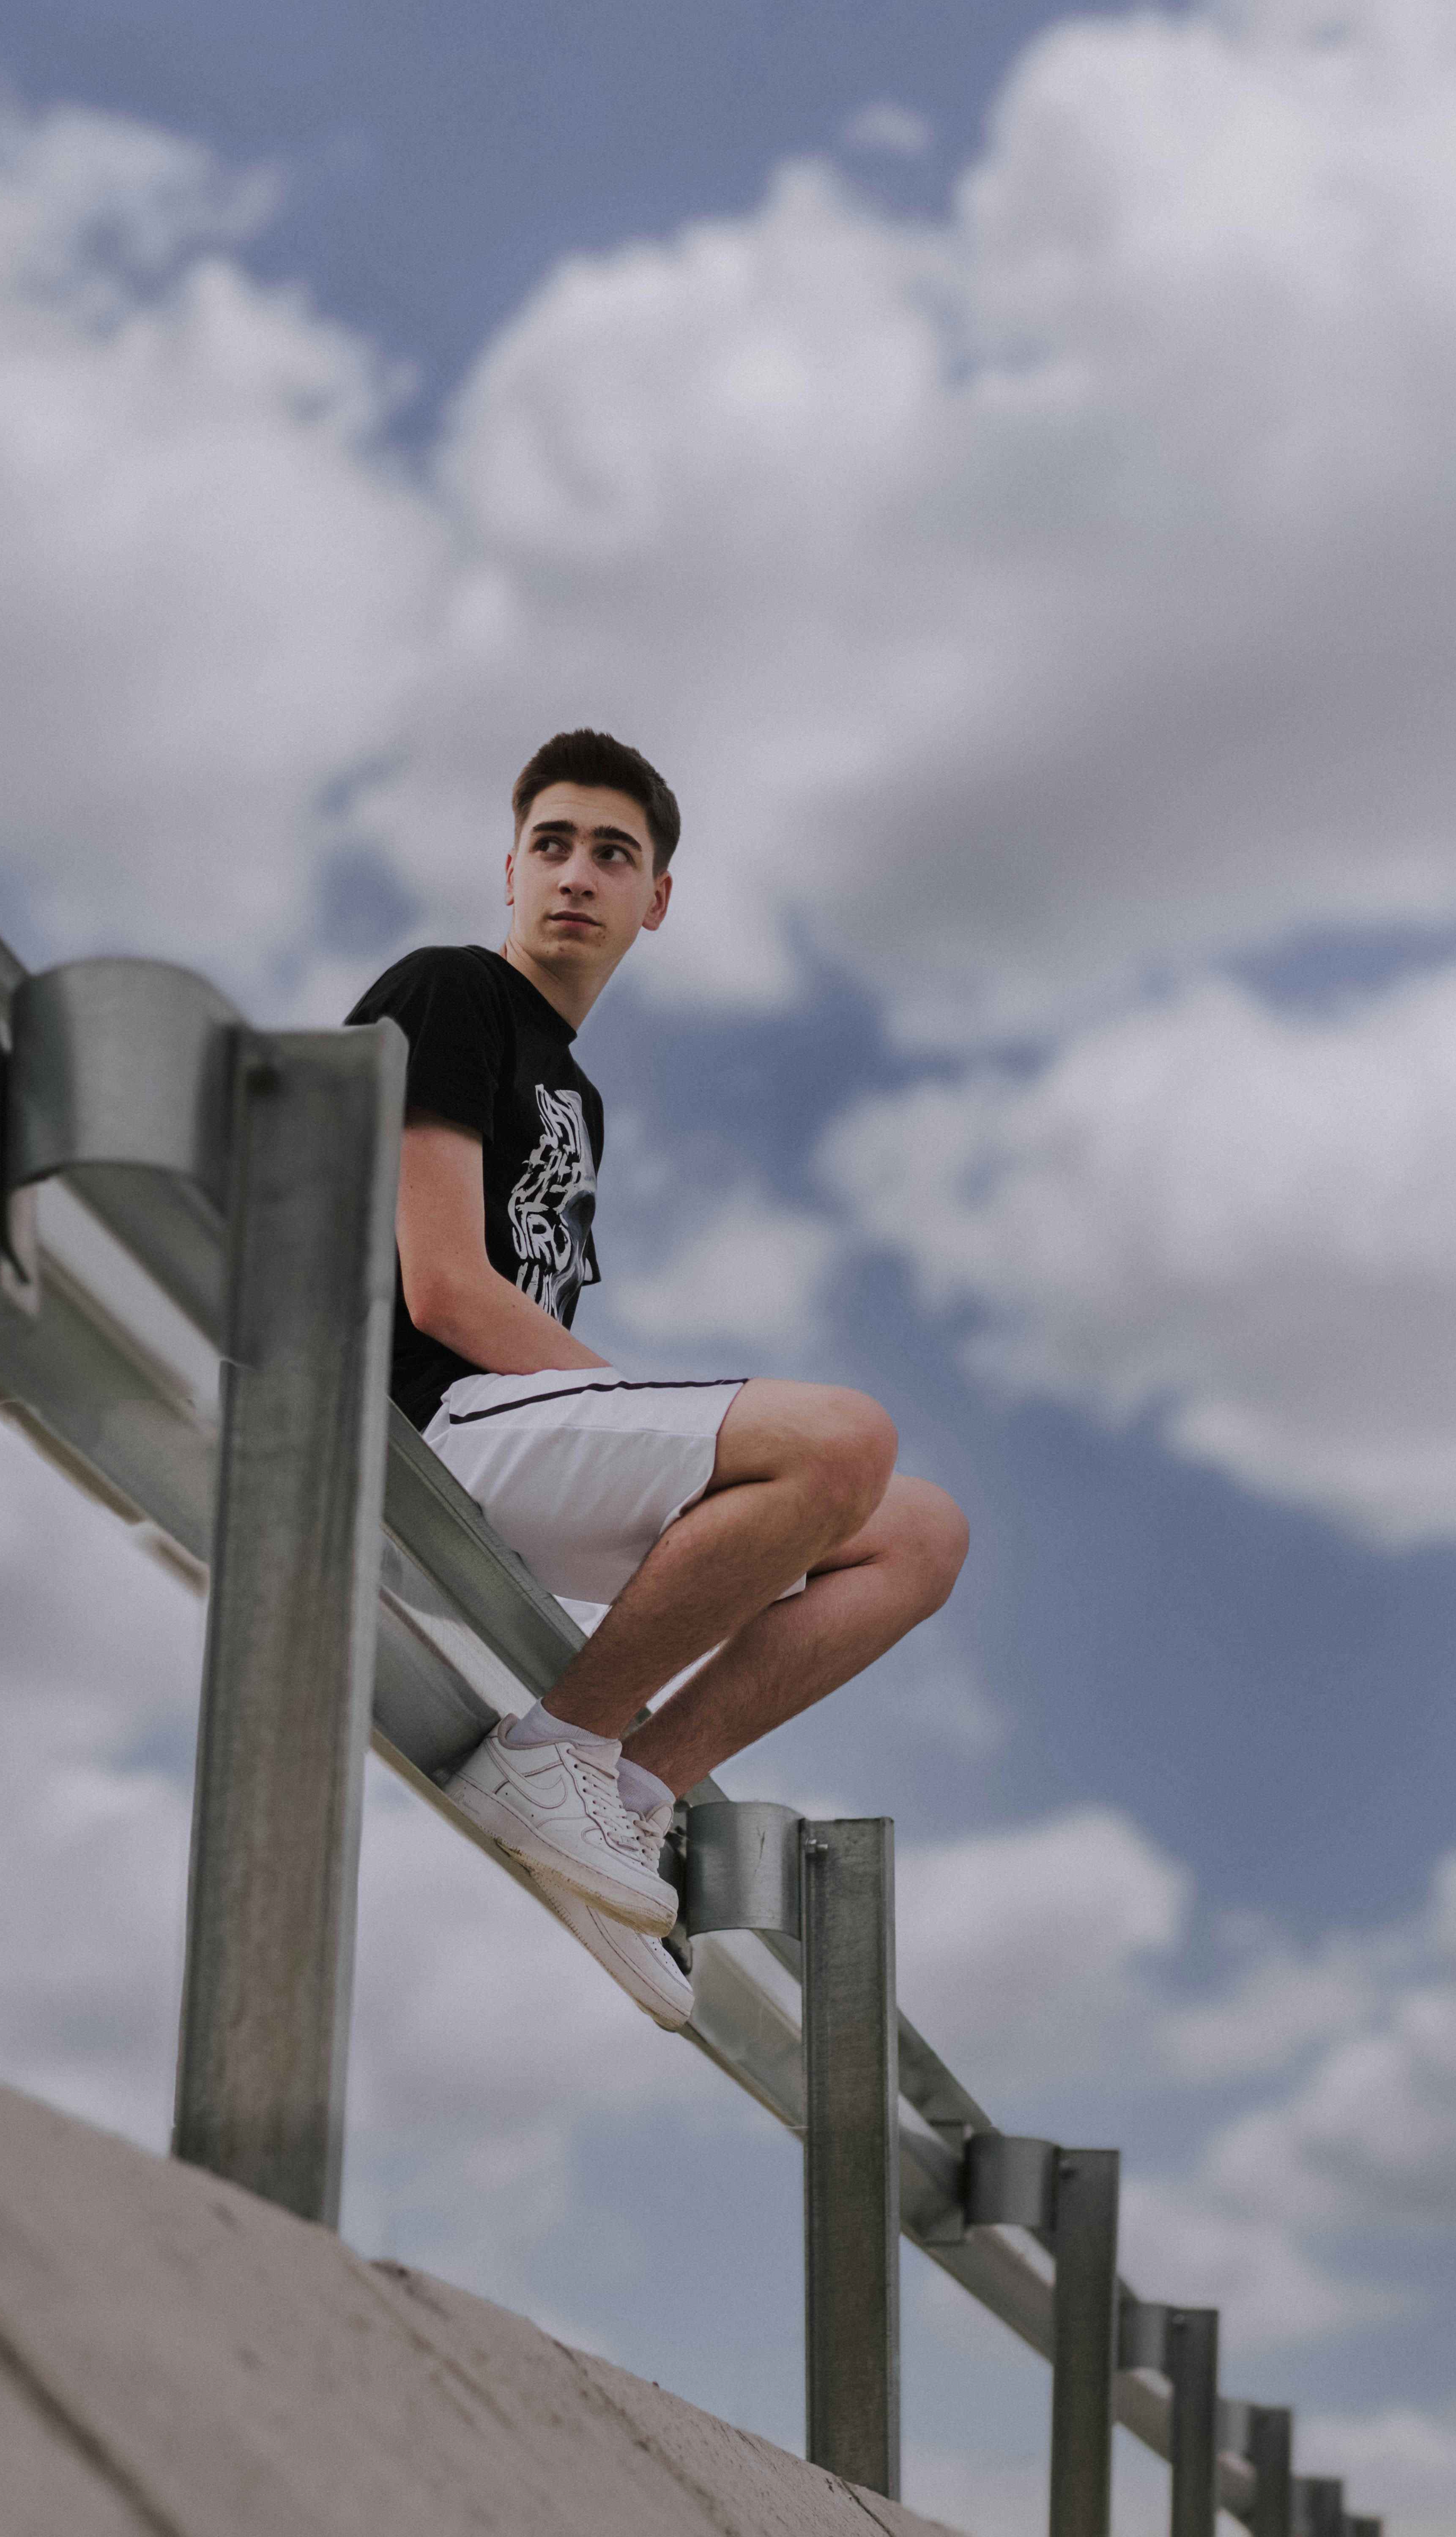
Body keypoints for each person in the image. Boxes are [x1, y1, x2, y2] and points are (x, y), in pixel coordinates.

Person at [345, 730, 969, 2029]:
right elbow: (444, 1289)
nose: (578, 874)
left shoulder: (577, 1097)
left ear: (657, 899)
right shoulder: (450, 990)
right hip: (415, 1424)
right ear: (510, 871)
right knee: (840, 1438)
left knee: (921, 1535)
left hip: (508, 1446)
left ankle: (623, 1802)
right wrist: (654, 1411)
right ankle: (550, 1755)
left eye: (613, 854)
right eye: (552, 845)